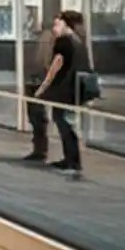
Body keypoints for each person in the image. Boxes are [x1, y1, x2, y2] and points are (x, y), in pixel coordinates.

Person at [33, 10, 88, 175]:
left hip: (63, 90)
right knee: (68, 124)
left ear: (65, 23)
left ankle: (71, 161)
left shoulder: (63, 42)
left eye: (58, 24)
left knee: (63, 123)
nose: (54, 28)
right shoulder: (78, 41)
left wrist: (43, 87)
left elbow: (55, 66)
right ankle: (72, 159)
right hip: (73, 89)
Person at [22, 27, 54, 162]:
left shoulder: (47, 41)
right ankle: (39, 148)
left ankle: (40, 149)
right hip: (35, 81)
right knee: (35, 115)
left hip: (39, 82)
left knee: (37, 115)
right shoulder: (36, 41)